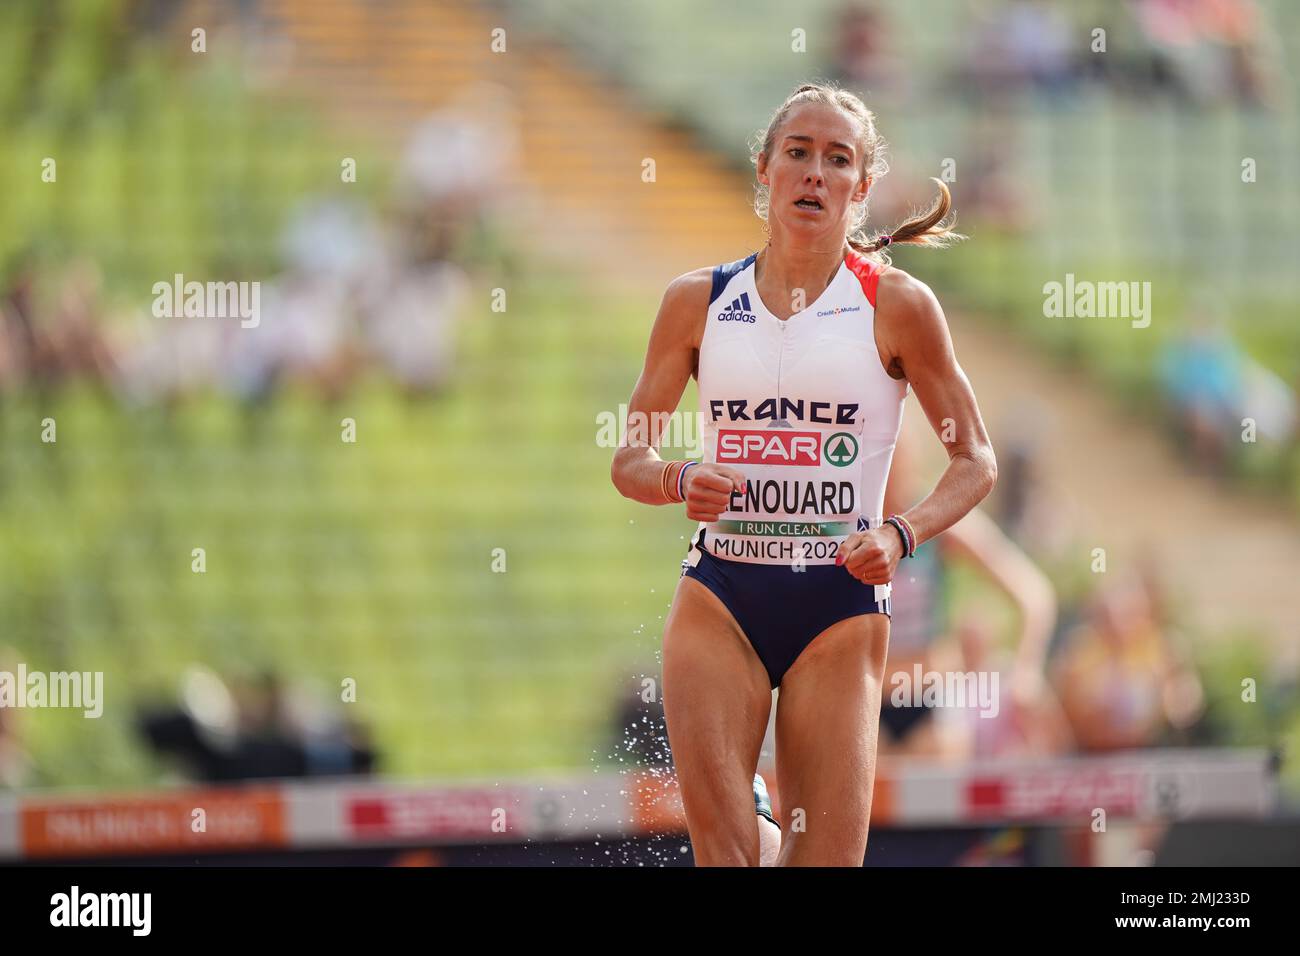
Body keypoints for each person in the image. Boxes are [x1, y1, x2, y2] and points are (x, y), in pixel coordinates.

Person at [611, 83, 997, 865]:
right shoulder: (697, 302)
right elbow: (630, 460)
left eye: (837, 160)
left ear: (861, 186)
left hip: (840, 607)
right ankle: (747, 824)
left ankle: (759, 819)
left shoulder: (898, 306)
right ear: (765, 169)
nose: (815, 173)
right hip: (723, 596)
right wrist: (680, 481)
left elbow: (975, 460)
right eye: (798, 154)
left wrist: (901, 531)